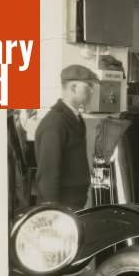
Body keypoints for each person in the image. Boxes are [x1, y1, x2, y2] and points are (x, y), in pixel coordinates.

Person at [33, 65, 98, 210]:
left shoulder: (74, 118)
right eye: (88, 86)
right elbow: (48, 176)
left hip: (74, 203)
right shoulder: (55, 123)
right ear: (73, 88)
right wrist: (54, 214)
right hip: (61, 207)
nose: (91, 91)